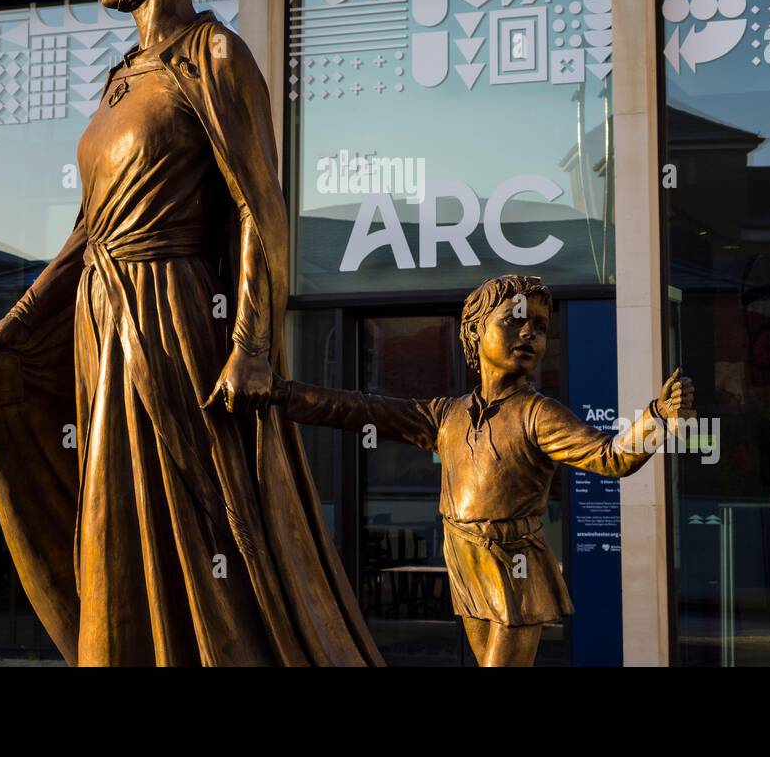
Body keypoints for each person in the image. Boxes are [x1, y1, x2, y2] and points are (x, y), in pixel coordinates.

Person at [0, 0, 380, 667]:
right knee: (108, 514)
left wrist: (252, 342)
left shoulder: (214, 56)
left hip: (175, 316)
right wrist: (14, 324)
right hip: (102, 321)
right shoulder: (120, 78)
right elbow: (87, 233)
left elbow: (261, 206)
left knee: (201, 518)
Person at [264, 273, 695, 667]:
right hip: (466, 560)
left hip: (515, 565)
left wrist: (656, 417)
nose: (530, 332)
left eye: (541, 327)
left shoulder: (538, 414)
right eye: (516, 320)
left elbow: (611, 456)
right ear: (474, 331)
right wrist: (280, 393)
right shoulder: (446, 415)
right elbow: (359, 409)